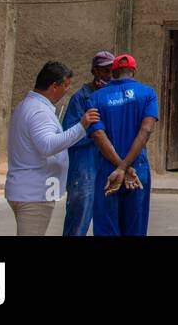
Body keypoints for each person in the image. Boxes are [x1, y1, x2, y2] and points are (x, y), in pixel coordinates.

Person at [6, 61, 99, 236]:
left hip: (28, 190)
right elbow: (48, 145)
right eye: (65, 86)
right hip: (34, 194)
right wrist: (82, 126)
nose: (66, 91)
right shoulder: (39, 111)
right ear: (54, 86)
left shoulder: (28, 105)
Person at [87, 54, 159, 236]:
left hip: (107, 170)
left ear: (113, 72)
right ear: (133, 71)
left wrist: (118, 167)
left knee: (106, 226)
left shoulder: (95, 98)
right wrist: (126, 167)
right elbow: (146, 130)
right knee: (135, 227)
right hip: (136, 169)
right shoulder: (148, 94)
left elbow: (97, 133)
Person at [60, 50, 114, 235]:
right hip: (84, 163)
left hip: (106, 161)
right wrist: (94, 133)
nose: (109, 75)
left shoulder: (112, 96)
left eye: (111, 71)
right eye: (105, 71)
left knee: (107, 215)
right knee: (80, 213)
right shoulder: (81, 98)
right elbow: (69, 132)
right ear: (95, 71)